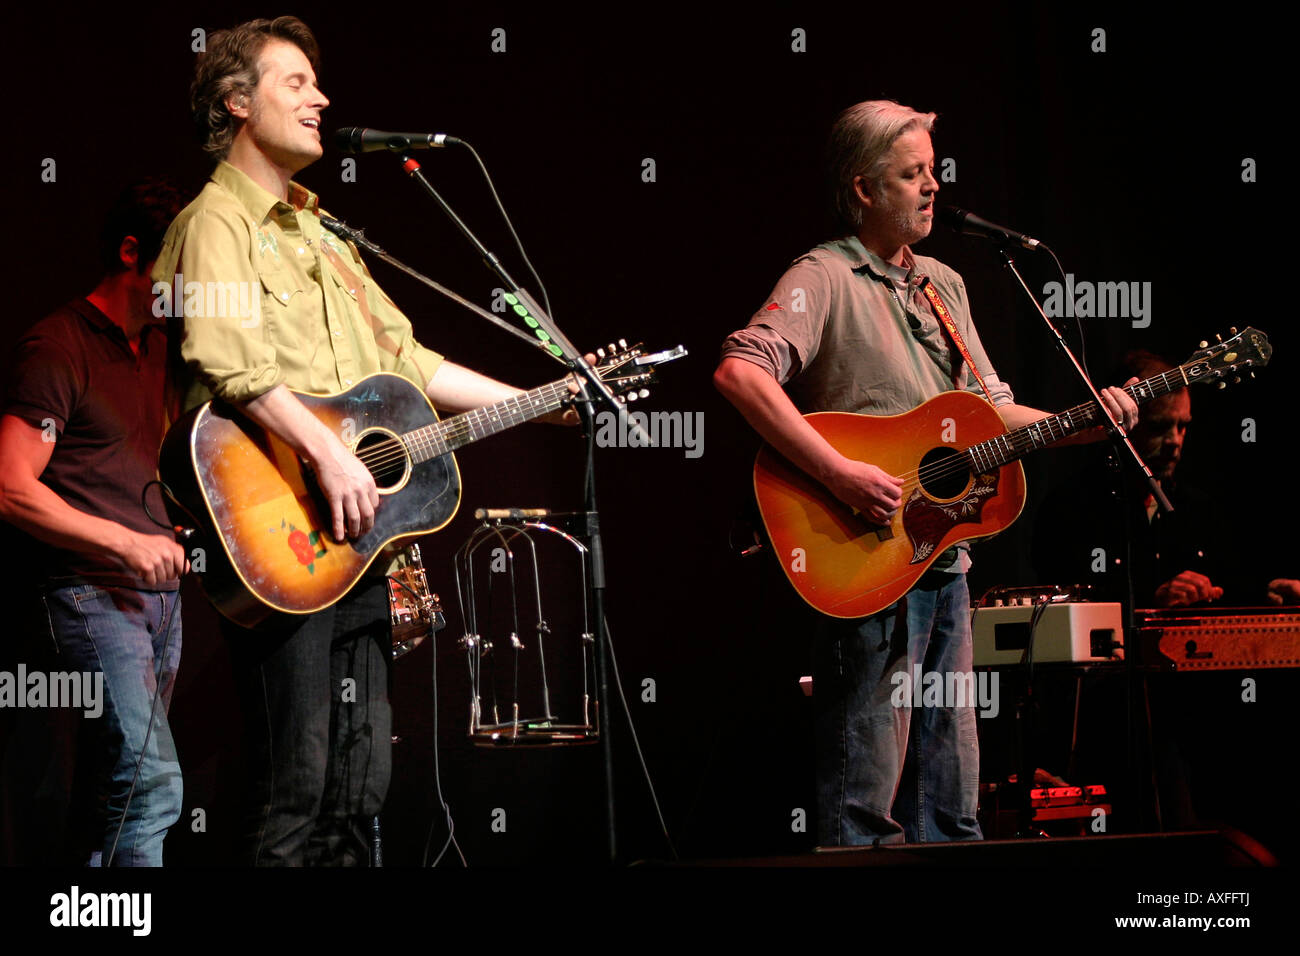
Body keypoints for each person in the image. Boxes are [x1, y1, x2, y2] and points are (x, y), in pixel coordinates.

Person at [154, 16, 578, 866]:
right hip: (281, 529)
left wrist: (545, 400)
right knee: (294, 791)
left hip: (359, 548)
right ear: (237, 103)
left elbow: (409, 361)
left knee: (357, 792)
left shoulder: (324, 235)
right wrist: (327, 452)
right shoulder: (215, 222)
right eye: (296, 84)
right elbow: (225, 358)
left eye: (319, 83)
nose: (322, 99)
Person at [713, 100, 1139, 845]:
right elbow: (740, 375)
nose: (931, 186)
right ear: (863, 188)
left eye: (933, 171)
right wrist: (841, 473)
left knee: (953, 803)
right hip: (865, 553)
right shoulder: (824, 275)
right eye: (910, 173)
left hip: (943, 557)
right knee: (862, 806)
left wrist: (1083, 423)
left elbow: (991, 412)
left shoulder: (944, 284)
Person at [0, 179, 189, 865]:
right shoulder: (57, 345)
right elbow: (9, 487)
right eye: (178, 265)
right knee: (151, 785)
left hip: (160, 603)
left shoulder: (163, 348)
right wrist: (123, 542)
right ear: (132, 252)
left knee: (120, 793)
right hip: (87, 592)